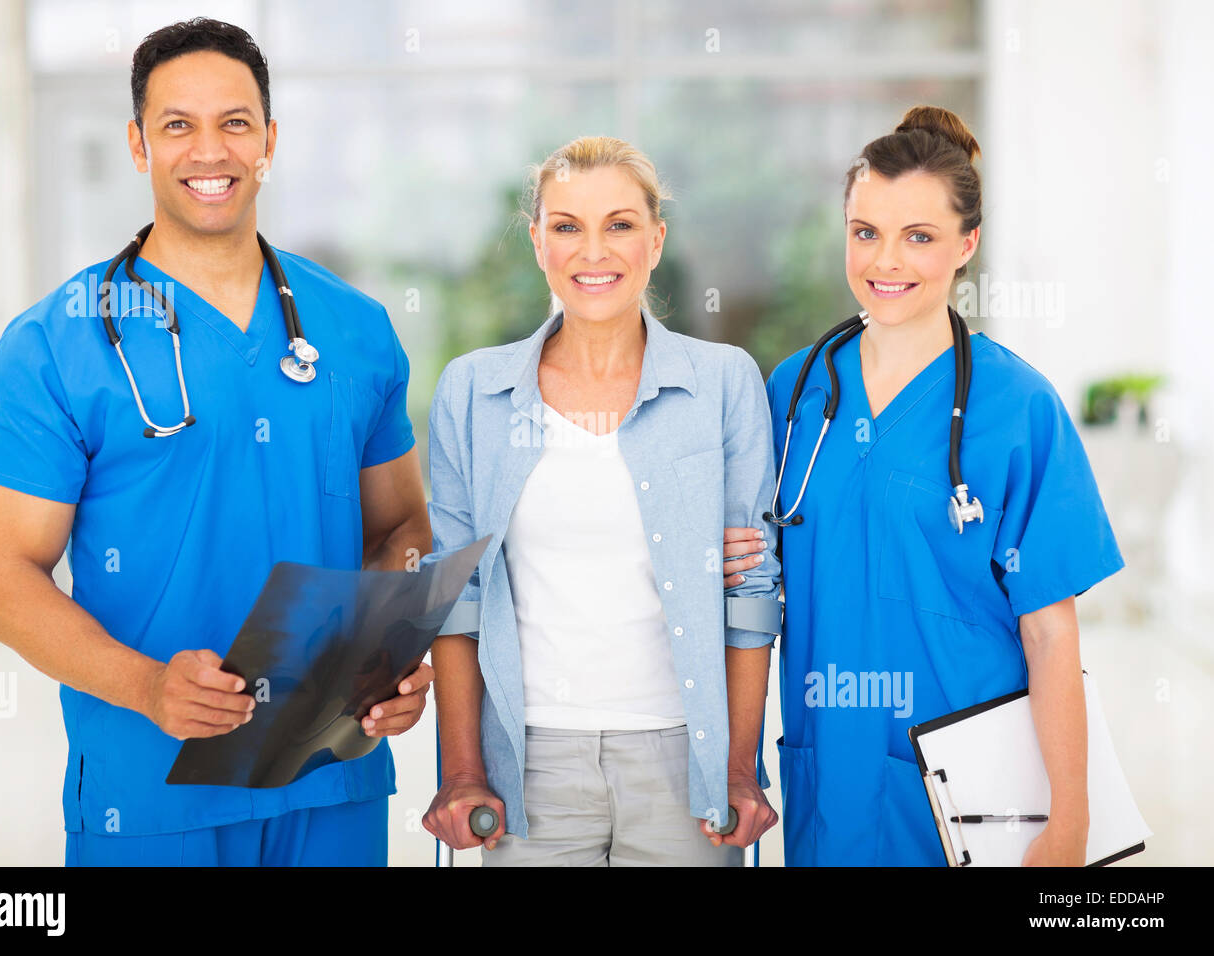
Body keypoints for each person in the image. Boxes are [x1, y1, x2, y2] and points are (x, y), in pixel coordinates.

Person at [0, 18, 433, 867]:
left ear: (269, 141)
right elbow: (0, 578)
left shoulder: (356, 330)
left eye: (235, 122)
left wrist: (387, 657)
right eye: (178, 124)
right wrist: (144, 686)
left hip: (331, 777)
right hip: (150, 790)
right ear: (140, 145)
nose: (208, 150)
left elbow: (399, 529)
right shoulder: (56, 344)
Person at [722, 106, 1124, 866]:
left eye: (920, 236)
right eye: (865, 231)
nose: (886, 261)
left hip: (973, 785)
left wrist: (1070, 818)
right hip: (829, 770)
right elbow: (752, 569)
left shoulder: (1018, 408)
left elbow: (1049, 630)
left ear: (967, 243)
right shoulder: (793, 394)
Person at [420, 136, 783, 866]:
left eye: (619, 224)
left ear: (656, 239)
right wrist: (461, 772)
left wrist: (737, 768)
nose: (595, 251)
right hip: (530, 763)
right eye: (567, 226)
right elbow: (456, 596)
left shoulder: (722, 384)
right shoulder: (473, 392)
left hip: (685, 758)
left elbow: (751, 592)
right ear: (537, 242)